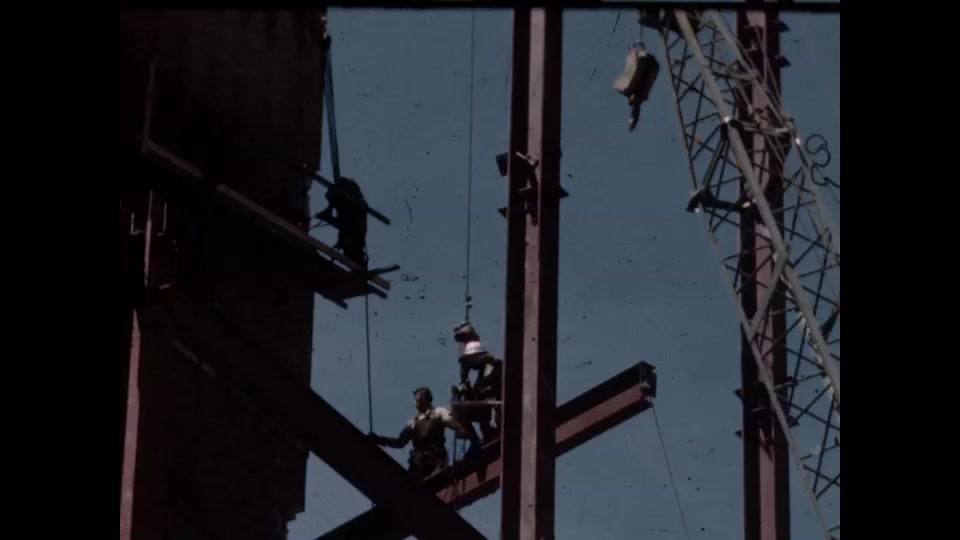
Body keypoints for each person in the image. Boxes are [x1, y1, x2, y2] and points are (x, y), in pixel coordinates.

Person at [368, 387, 480, 481]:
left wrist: (460, 430)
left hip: (435, 459)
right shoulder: (413, 422)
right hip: (418, 463)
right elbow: (400, 442)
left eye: (418, 396)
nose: (415, 400)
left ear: (426, 398)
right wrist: (379, 440)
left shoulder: (438, 412)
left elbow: (451, 422)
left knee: (435, 482)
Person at [451, 322, 503, 443]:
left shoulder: (493, 368)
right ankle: (475, 443)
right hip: (485, 410)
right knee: (457, 410)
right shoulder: (483, 372)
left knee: (492, 434)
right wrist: (463, 387)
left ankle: (482, 444)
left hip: (494, 410)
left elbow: (488, 390)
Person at [315, 176, 368, 269]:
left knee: (355, 251)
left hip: (354, 233)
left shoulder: (351, 206)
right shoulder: (345, 204)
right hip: (352, 233)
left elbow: (348, 226)